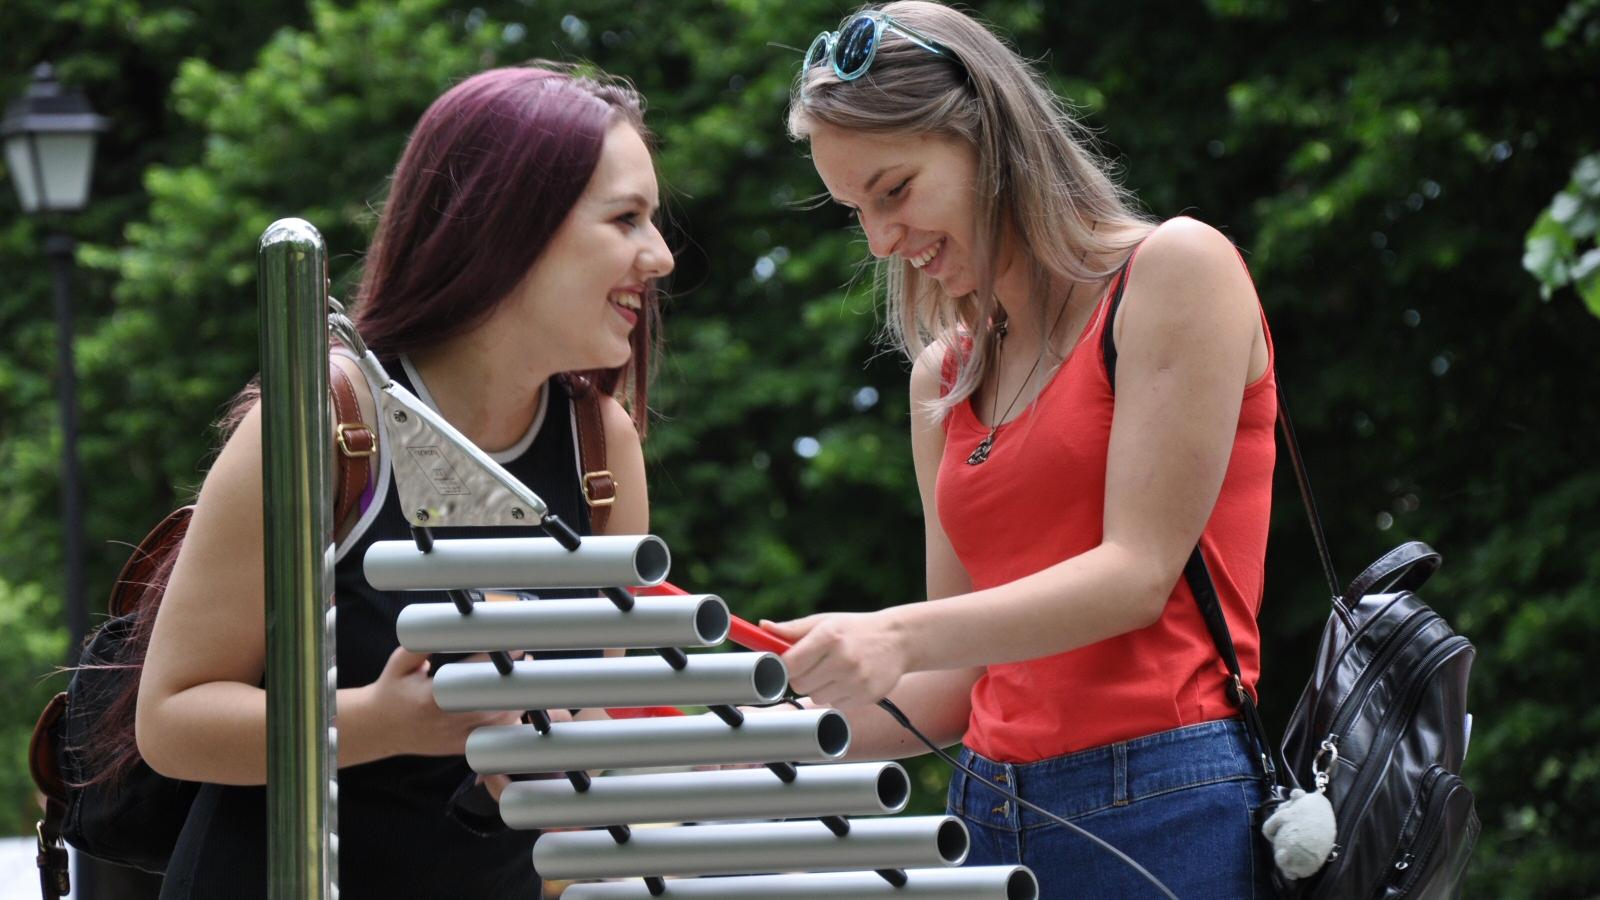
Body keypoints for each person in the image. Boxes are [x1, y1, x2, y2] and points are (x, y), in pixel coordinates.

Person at [770, 3, 1278, 896]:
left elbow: (1136, 573)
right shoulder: (945, 378)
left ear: (990, 138)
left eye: (893, 191)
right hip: (988, 807)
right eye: (857, 210)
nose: (881, 240)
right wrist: (761, 730)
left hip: (1163, 803)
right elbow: (951, 684)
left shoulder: (1174, 272)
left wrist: (890, 634)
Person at [129, 64, 672, 898]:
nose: (660, 256)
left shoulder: (604, 447)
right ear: (508, 224)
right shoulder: (323, 423)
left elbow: (578, 735)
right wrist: (385, 722)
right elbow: (171, 722)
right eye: (625, 218)